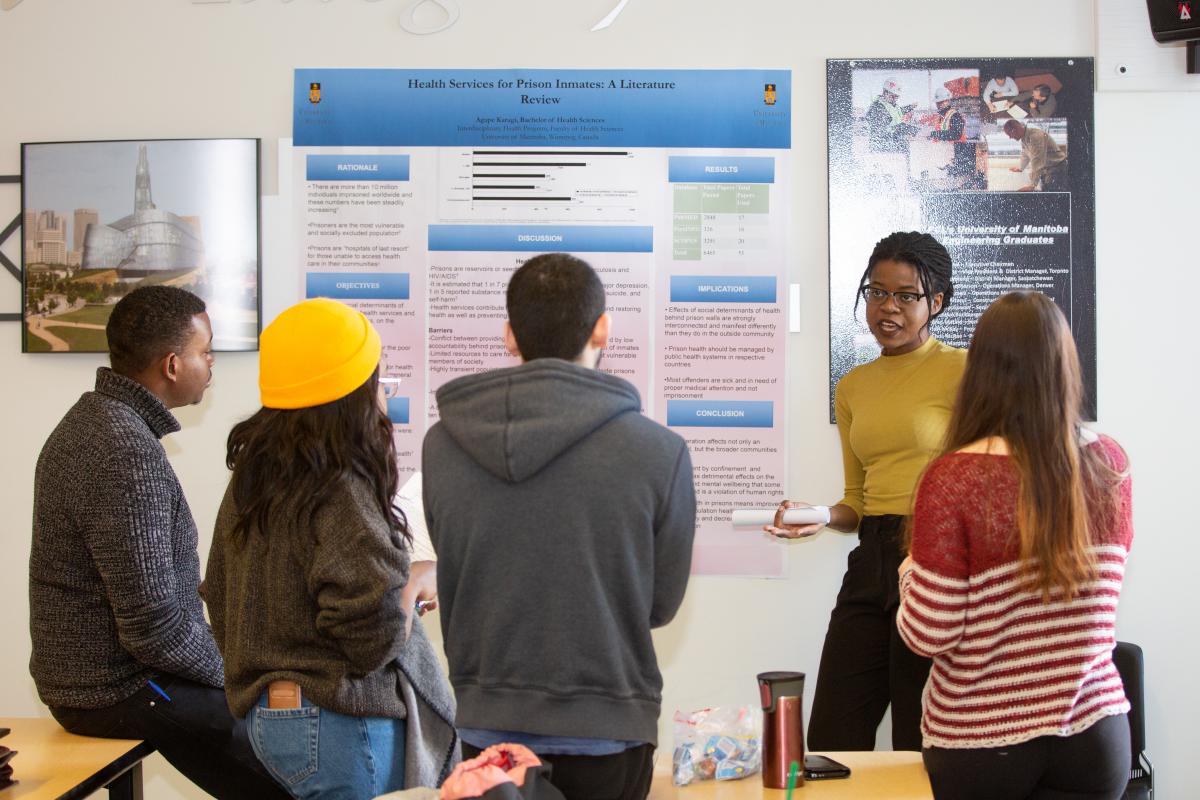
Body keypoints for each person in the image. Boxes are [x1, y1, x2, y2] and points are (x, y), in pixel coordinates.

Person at [422, 252, 696, 800]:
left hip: (487, 734)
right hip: (608, 729)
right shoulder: (660, 451)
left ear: (509, 334)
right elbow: (660, 605)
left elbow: (454, 567)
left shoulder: (441, 444)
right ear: (602, 329)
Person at [28, 285, 287, 799]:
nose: (211, 364)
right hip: (115, 688)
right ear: (172, 364)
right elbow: (154, 630)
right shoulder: (123, 449)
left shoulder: (99, 422)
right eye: (205, 352)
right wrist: (239, 676)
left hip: (116, 676)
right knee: (294, 772)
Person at [203, 298, 459, 798]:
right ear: (352, 395)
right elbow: (371, 638)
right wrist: (411, 584)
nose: (383, 398)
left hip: (272, 720)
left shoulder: (255, 478)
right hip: (339, 725)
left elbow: (221, 593)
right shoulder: (340, 487)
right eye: (378, 383)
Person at [897, 291, 1132, 800]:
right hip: (1095, 735)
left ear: (981, 371)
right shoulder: (1110, 462)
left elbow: (929, 633)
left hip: (983, 742)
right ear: (1064, 364)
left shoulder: (954, 478)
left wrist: (909, 570)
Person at [766, 232, 965, 751]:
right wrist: (818, 515)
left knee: (919, 741)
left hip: (935, 560)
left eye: (905, 295)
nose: (887, 308)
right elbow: (857, 499)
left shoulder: (965, 372)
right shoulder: (853, 385)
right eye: (877, 292)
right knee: (833, 736)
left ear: (936, 302)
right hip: (871, 558)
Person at [1004, 119, 1068, 191]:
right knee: (1045, 191)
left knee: (1051, 193)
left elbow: (1037, 160)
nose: (1010, 137)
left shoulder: (1035, 137)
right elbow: (1025, 153)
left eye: (1009, 134)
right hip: (1047, 169)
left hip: (1057, 168)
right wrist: (1021, 168)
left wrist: (1032, 185)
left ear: (1014, 130)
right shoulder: (1024, 137)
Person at [927, 86, 976, 178]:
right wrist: (930, 135)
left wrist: (936, 134)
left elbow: (956, 134)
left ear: (947, 101)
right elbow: (941, 132)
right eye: (938, 102)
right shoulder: (941, 116)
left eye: (941, 102)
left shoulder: (955, 115)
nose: (939, 104)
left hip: (957, 154)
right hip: (946, 155)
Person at [866, 77, 918, 153]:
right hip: (881, 147)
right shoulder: (877, 108)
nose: (894, 99)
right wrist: (901, 128)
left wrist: (910, 107)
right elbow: (880, 130)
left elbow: (898, 112)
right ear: (884, 92)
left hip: (893, 142)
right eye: (892, 96)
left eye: (896, 96)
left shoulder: (891, 104)